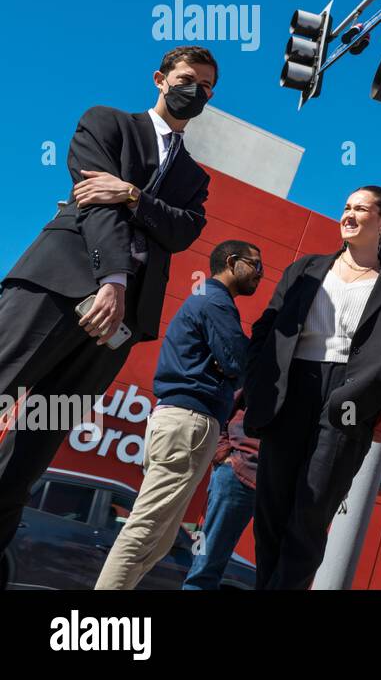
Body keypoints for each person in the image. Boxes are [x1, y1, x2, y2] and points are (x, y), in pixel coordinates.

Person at [0, 46, 215, 554]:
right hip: (59, 288)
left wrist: (134, 194)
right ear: (160, 79)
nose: (196, 92)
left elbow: (183, 232)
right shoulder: (108, 123)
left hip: (114, 328)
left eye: (206, 87)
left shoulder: (195, 178)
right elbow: (97, 205)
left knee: (36, 444)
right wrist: (112, 279)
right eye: (188, 79)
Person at [242, 186, 381, 590]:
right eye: (345, 206)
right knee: (270, 516)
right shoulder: (306, 269)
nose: (348, 214)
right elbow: (267, 327)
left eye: (360, 209)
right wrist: (255, 378)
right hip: (288, 393)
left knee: (310, 515)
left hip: (349, 400)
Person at [95, 240, 263, 589]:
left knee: (158, 540)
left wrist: (227, 364)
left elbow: (229, 362)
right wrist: (231, 365)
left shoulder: (208, 299)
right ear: (232, 262)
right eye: (255, 265)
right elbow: (239, 362)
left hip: (180, 422)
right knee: (145, 532)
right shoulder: (216, 300)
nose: (261, 274)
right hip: (189, 421)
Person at [184, 391, 260, 589]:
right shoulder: (265, 362)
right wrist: (222, 452)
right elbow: (222, 402)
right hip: (237, 474)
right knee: (203, 566)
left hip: (283, 482)